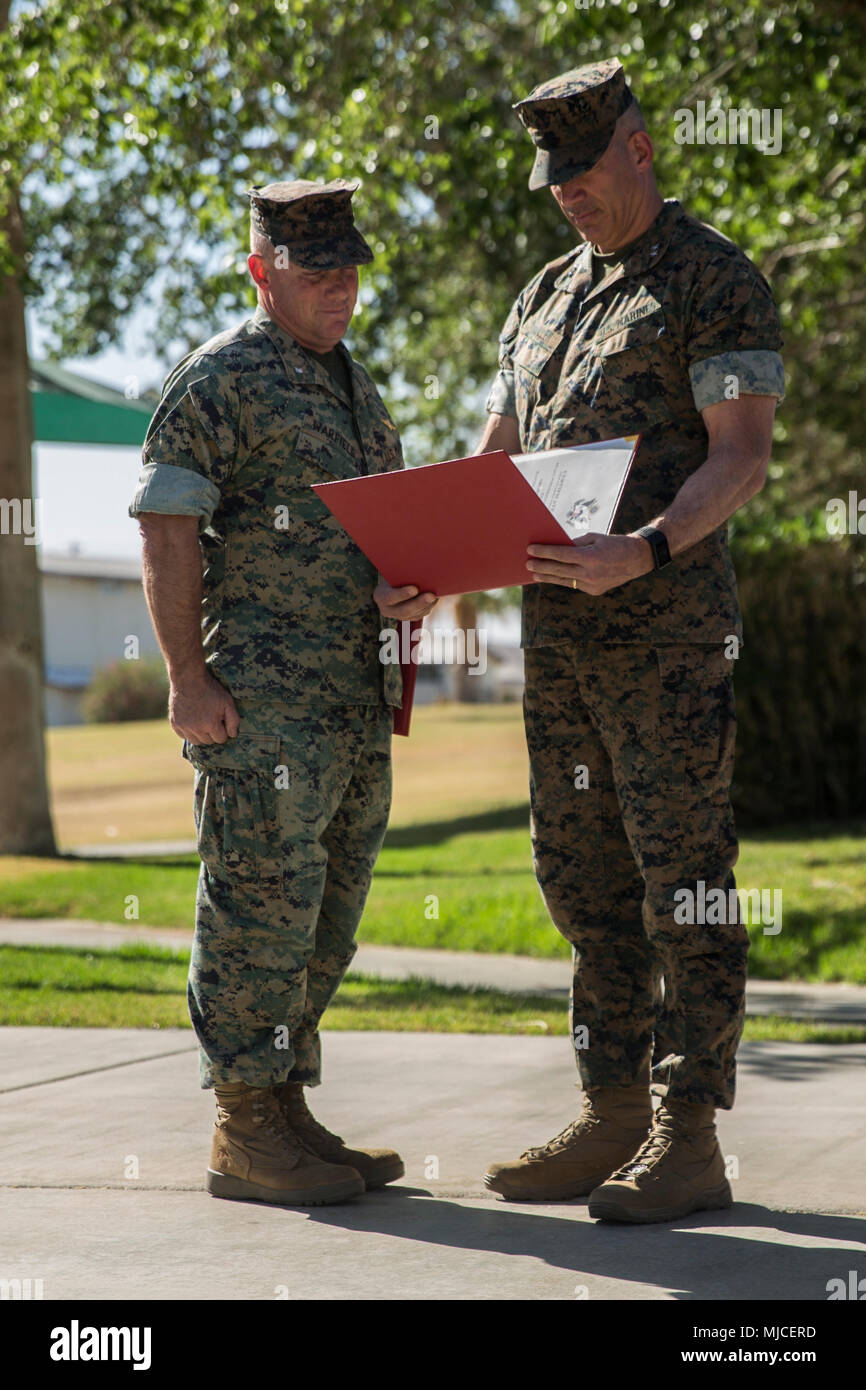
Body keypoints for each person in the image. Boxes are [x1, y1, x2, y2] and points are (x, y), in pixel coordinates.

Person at [479, 60, 785, 1222]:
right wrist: (434, 564)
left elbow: (739, 456)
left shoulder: (712, 278)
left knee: (683, 881)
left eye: (583, 168)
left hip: (661, 637)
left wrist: (643, 550)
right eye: (549, 173)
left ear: (639, 150)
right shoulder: (542, 295)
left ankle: (688, 1128)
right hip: (557, 646)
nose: (564, 191)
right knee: (580, 877)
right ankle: (608, 1111)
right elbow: (498, 451)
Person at [130, 178, 435, 1206]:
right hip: (259, 704)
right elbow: (167, 525)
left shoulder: (356, 386)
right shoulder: (221, 378)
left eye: (351, 269)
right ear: (262, 273)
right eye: (318, 273)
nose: (341, 288)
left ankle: (289, 1107)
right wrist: (185, 679)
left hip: (352, 703)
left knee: (324, 915)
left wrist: (405, 587)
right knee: (258, 909)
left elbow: (376, 541)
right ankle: (244, 1125)